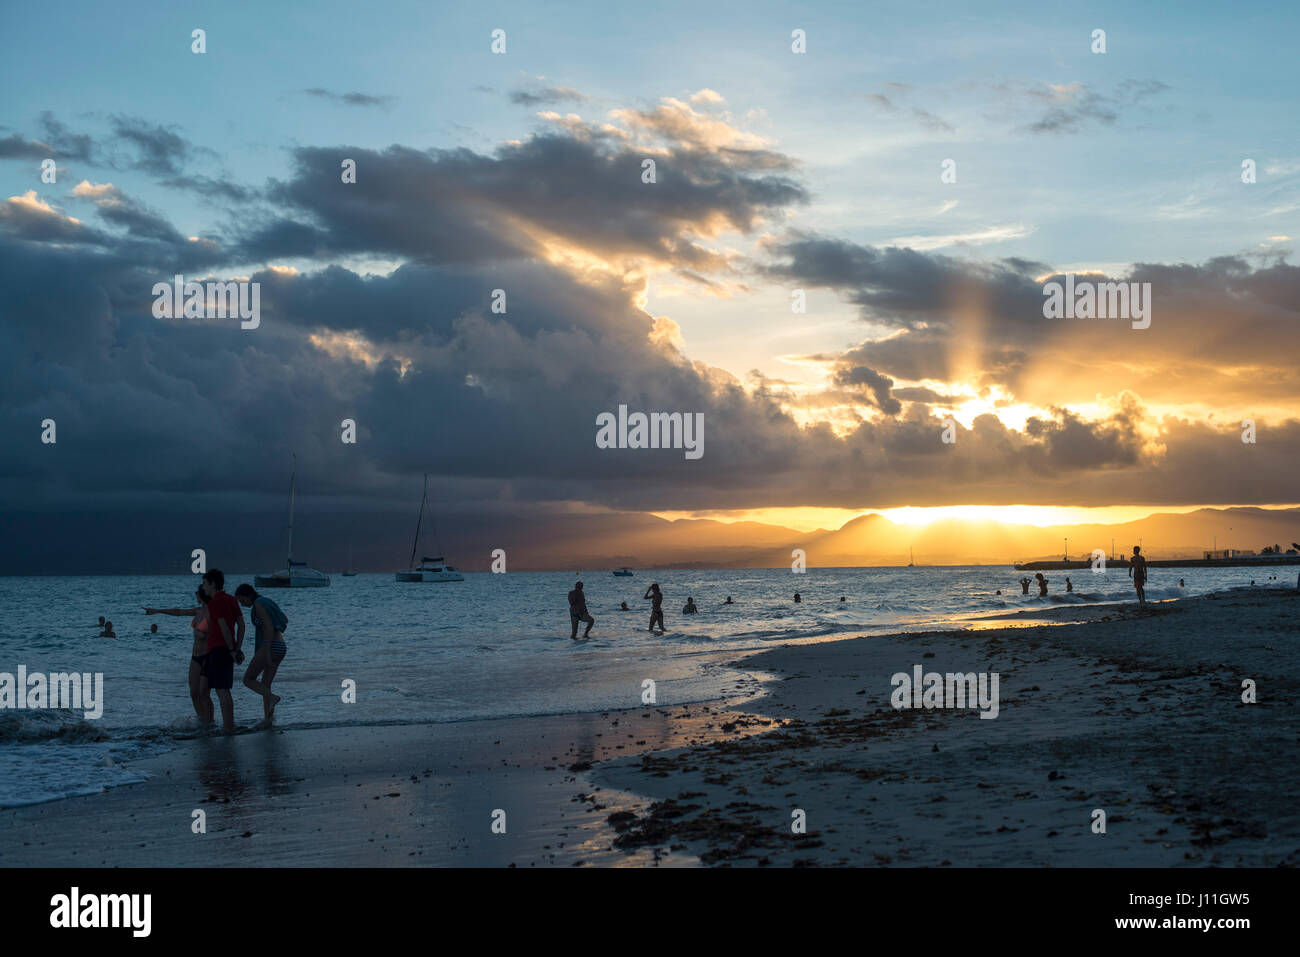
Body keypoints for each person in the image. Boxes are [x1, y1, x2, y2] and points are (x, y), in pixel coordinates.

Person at [144, 586, 214, 724]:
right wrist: (157, 611)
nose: (196, 596)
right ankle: (202, 720)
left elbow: (216, 631)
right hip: (195, 656)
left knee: (204, 693)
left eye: (197, 594)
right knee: (194, 692)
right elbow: (178, 612)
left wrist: (202, 634)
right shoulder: (198, 611)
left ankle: (210, 721)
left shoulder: (212, 612)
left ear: (202, 595)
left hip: (207, 655)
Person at [235, 584, 288, 727]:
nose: (242, 604)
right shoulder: (267, 601)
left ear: (247, 596)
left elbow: (269, 627)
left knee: (248, 679)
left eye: (242, 601)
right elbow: (284, 619)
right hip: (281, 646)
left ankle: (272, 698)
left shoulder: (258, 605)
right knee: (265, 684)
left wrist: (265, 650)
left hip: (270, 646)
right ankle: (268, 720)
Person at [201, 569, 245, 733]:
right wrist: (237, 647)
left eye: (205, 584)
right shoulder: (232, 600)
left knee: (222, 690)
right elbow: (241, 625)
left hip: (220, 649)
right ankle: (216, 724)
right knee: (211, 688)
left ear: (213, 584)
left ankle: (228, 727)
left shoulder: (216, 602)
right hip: (221, 649)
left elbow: (224, 628)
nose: (203, 587)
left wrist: (233, 650)